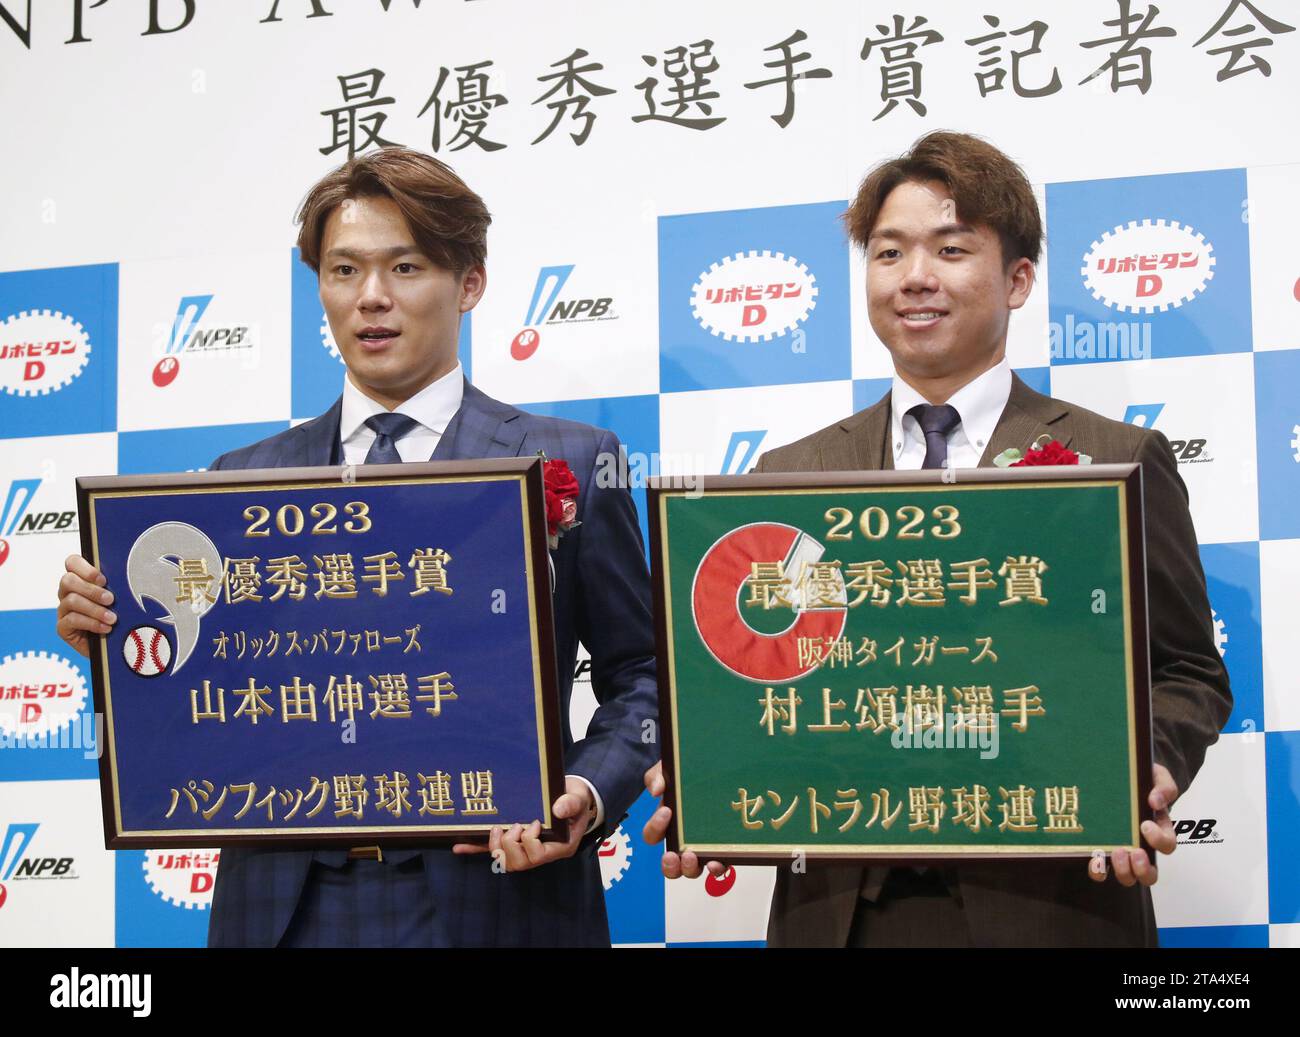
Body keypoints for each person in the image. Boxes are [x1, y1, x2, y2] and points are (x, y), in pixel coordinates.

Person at [57, 147, 659, 947]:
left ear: (469, 282)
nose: (371, 298)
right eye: (344, 271)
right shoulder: (241, 483)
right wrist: (111, 638)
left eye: (405, 266)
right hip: (282, 907)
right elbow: (199, 696)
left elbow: (645, 675)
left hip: (502, 899)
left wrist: (582, 790)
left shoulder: (573, 459)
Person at [642, 131, 1232, 947]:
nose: (915, 277)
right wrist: (708, 768)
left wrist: (1144, 769)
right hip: (840, 908)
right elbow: (760, 670)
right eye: (889, 252)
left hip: (1050, 902)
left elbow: (1189, 669)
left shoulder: (1114, 460)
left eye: (950, 249)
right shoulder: (791, 473)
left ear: (1017, 278)